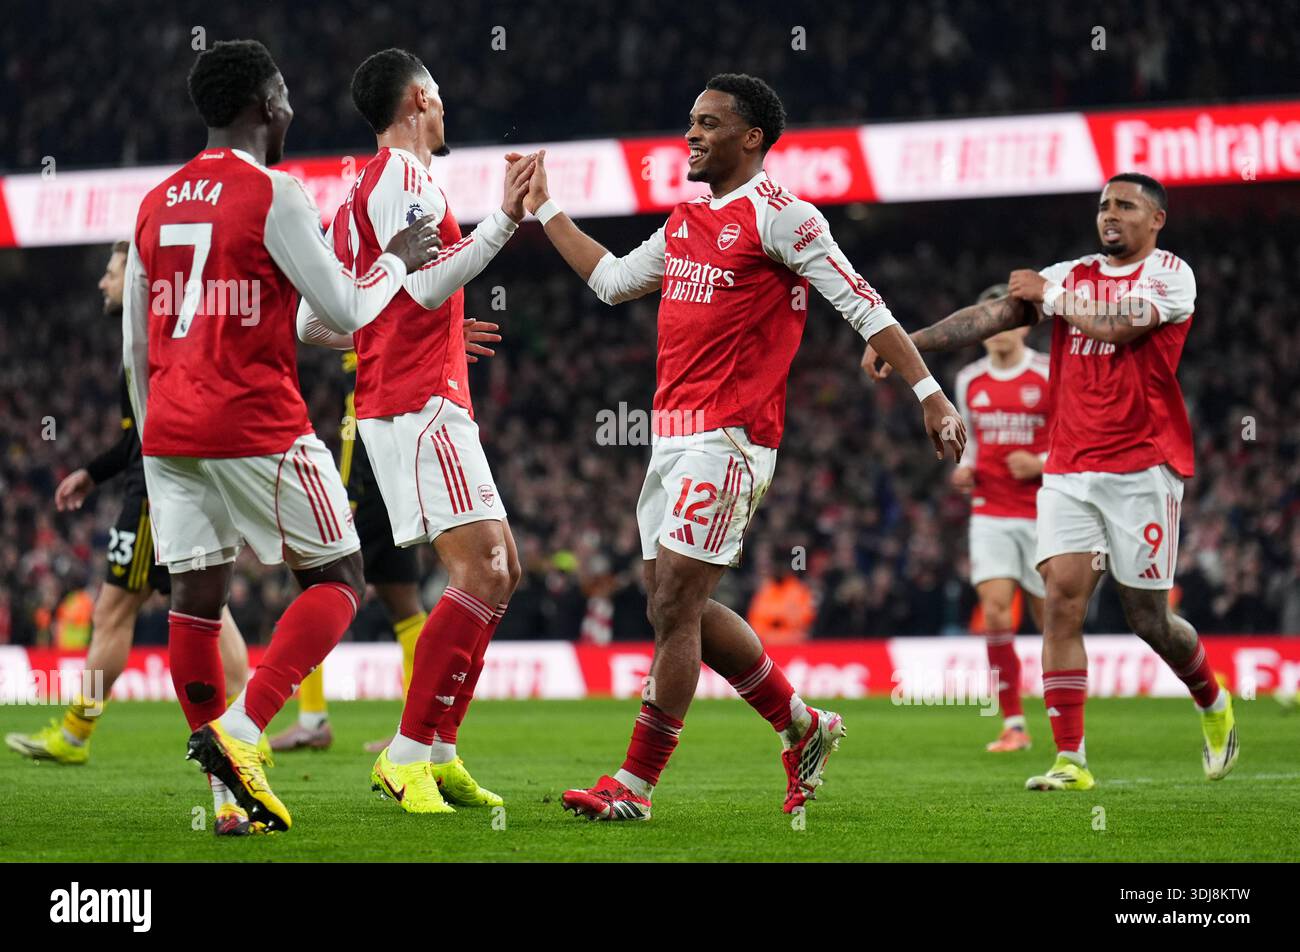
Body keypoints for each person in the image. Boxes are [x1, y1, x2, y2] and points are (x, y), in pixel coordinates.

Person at [524, 73, 964, 820]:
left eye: (708, 123)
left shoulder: (784, 217)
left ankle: (634, 788)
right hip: (667, 437)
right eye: (690, 121)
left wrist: (930, 394)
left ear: (750, 137)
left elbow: (861, 302)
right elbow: (613, 281)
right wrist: (545, 210)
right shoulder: (688, 218)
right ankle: (805, 726)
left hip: (730, 438)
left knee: (672, 604)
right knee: (677, 610)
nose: (691, 134)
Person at [123, 39, 442, 834]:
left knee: (196, 602)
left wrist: (151, 430)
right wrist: (396, 260)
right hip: (253, 421)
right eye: (288, 95)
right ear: (266, 105)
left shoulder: (155, 201)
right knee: (339, 578)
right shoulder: (276, 193)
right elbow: (338, 309)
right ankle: (244, 730)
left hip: (167, 427)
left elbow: (134, 339)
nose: (294, 110)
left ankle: (226, 801)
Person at [864, 173, 1238, 790]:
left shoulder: (1172, 274)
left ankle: (1211, 702)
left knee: (1149, 619)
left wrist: (1051, 295)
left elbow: (1120, 325)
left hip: (1143, 467)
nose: (1110, 215)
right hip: (1068, 468)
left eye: (1125, 205)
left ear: (1157, 219)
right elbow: (996, 315)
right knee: (1062, 602)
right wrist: (910, 344)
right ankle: (1072, 759)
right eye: (1102, 206)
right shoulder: (1070, 273)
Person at [296, 48, 533, 814]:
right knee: (481, 569)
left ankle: (437, 747)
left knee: (503, 570)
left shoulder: (353, 192)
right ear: (421, 97)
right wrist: (505, 220)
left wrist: (397, 333)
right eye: (440, 96)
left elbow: (314, 320)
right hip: (419, 403)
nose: (445, 106)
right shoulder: (405, 177)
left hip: (408, 394)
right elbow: (428, 283)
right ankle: (406, 755)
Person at [5, 242, 249, 768]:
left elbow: (148, 441)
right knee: (212, 608)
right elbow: (134, 437)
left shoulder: (150, 340)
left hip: (154, 495)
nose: (102, 283)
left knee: (112, 613)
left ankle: (74, 734)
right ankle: (248, 733)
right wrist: (91, 476)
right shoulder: (159, 336)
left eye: (111, 273)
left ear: (135, 278)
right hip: (180, 486)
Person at [269, 317, 501, 754]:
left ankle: (314, 719)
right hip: (394, 475)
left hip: (367, 486)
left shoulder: (369, 332)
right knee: (404, 606)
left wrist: (345, 495)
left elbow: (354, 424)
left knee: (315, 593)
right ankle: (415, 727)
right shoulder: (384, 329)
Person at [951, 282, 1051, 752]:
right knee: (994, 613)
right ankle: (1014, 722)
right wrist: (965, 468)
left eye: (1004, 320)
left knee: (1052, 620)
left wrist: (1041, 464)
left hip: (1045, 511)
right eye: (988, 321)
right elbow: (970, 438)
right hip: (989, 509)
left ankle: (1061, 719)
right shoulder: (970, 379)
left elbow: (1077, 440)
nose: (995, 331)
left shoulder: (1050, 375)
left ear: (1024, 326)